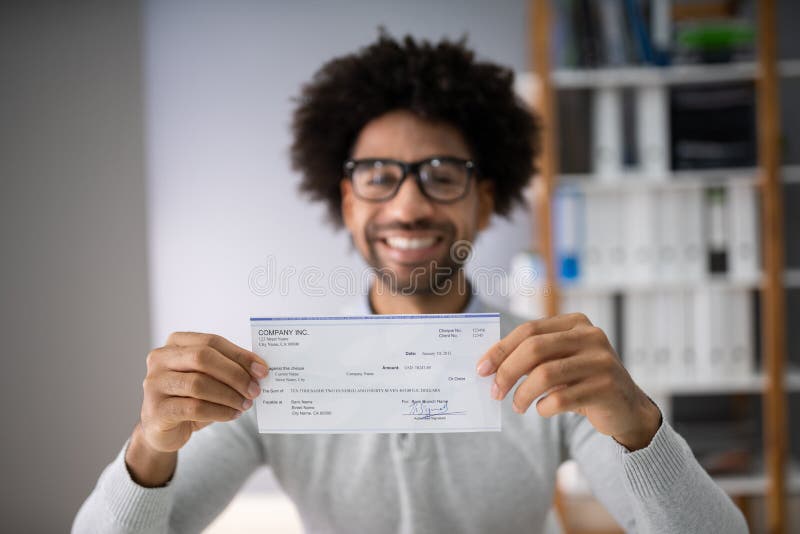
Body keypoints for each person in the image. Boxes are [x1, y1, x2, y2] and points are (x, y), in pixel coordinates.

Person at [73, 33, 747, 533]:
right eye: (377, 176)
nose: (406, 206)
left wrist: (638, 427)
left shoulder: (546, 367)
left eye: (441, 175)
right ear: (346, 202)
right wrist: (149, 447)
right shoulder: (274, 374)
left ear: (484, 202)